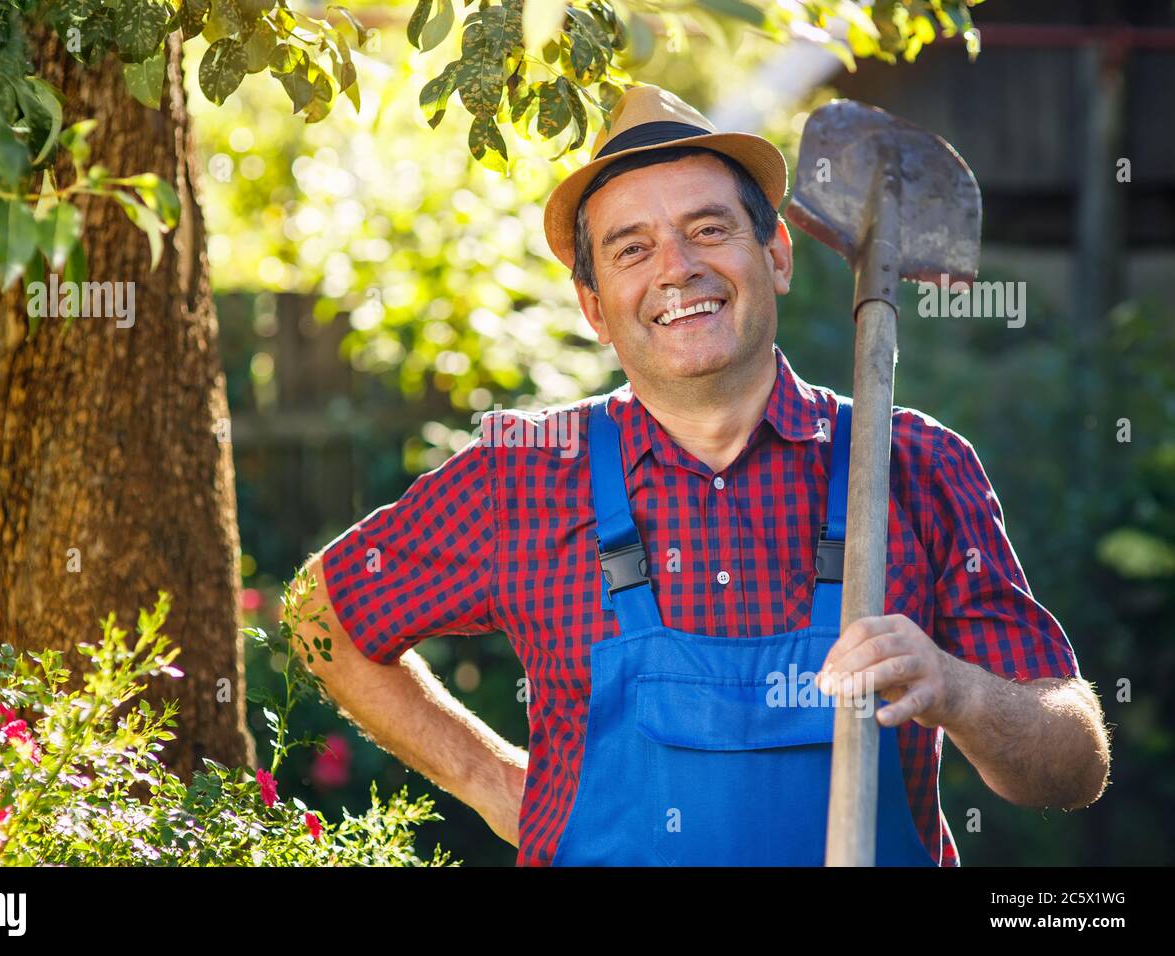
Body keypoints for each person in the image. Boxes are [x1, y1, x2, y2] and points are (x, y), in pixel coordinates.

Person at [288, 84, 1110, 866]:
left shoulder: (915, 466)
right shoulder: (523, 476)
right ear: (594, 308)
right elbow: (321, 615)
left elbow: (1072, 766)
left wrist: (957, 690)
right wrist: (494, 781)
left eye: (709, 229)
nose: (676, 268)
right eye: (632, 248)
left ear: (777, 253)